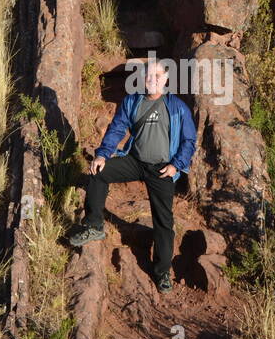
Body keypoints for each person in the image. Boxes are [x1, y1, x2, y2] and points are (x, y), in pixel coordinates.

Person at [68, 60, 196, 292]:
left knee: (163, 222)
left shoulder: (177, 107)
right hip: (135, 161)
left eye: (157, 76)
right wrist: (102, 154)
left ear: (166, 80)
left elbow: (189, 141)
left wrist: (176, 165)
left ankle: (162, 272)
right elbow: (117, 128)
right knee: (99, 172)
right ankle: (95, 225)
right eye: (148, 76)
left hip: (162, 169)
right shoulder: (133, 101)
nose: (152, 80)